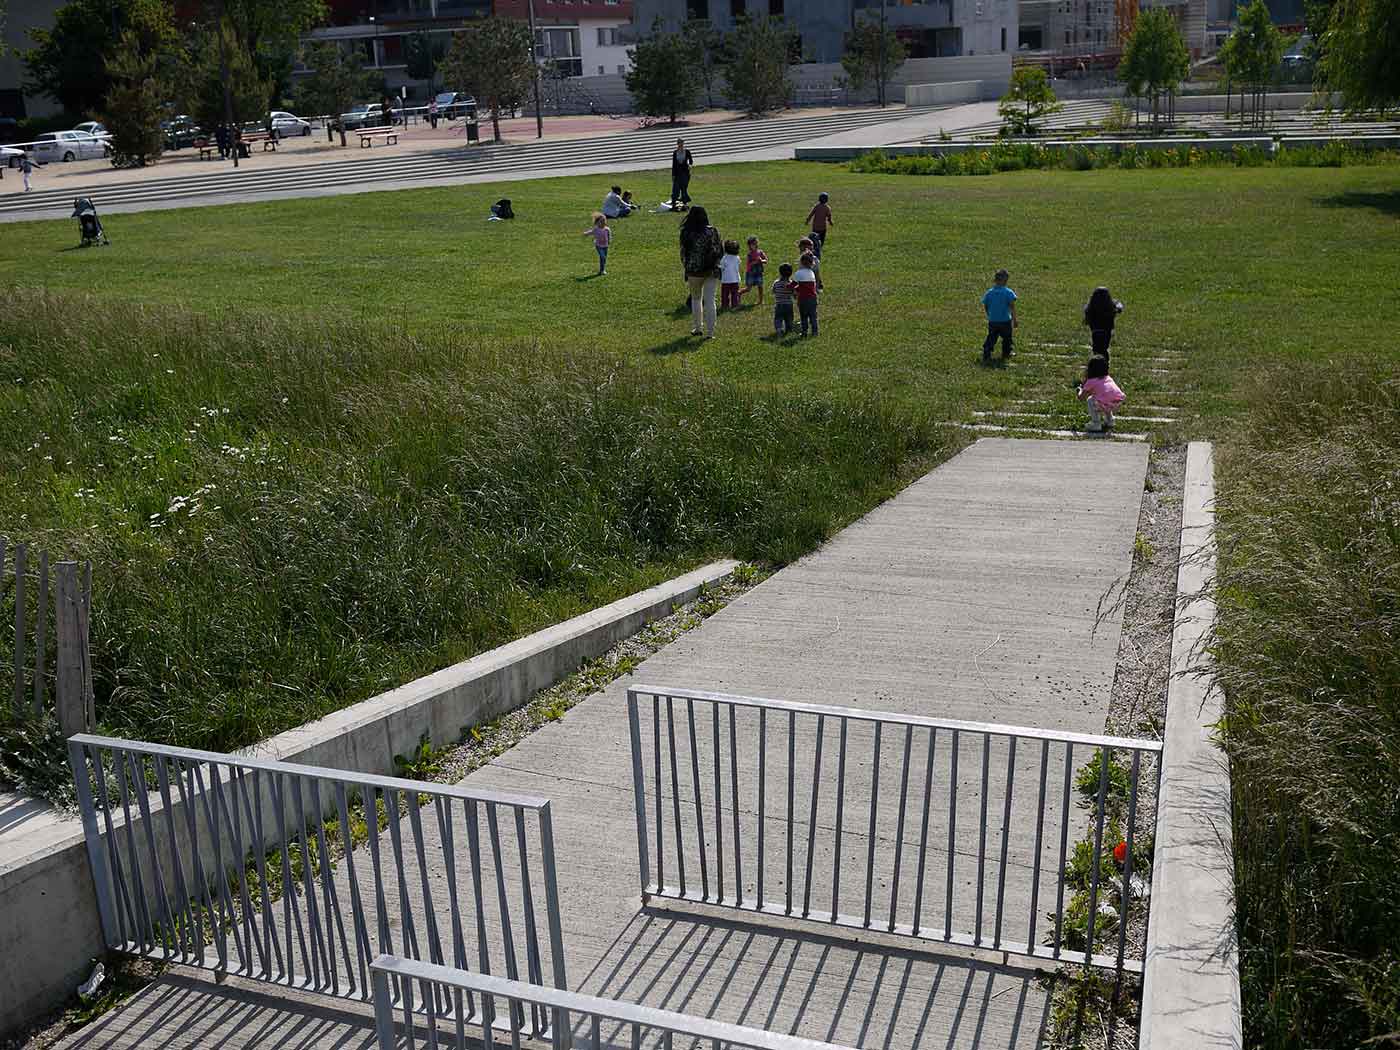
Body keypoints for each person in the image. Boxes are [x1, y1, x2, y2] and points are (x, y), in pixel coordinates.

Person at [679, 205, 723, 337]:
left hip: (694, 270)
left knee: (696, 299)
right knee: (710, 300)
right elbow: (720, 250)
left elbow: (683, 253)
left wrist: (686, 267)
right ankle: (710, 332)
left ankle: (697, 328)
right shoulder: (712, 231)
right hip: (711, 269)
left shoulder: (686, 232)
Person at [1078, 354, 1126, 433]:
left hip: (1106, 403)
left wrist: (1080, 390)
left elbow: (1081, 397)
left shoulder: (1091, 381)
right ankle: (1110, 419)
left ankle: (1096, 423)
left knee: (1090, 400)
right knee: (1105, 398)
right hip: (1117, 402)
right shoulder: (1107, 377)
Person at [980, 268, 1018, 363]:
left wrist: (989, 314)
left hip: (993, 320)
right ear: (1005, 281)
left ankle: (987, 351)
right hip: (1005, 320)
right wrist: (1014, 320)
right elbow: (1012, 307)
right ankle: (1006, 352)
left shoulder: (989, 292)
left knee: (991, 337)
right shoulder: (1008, 292)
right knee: (1007, 338)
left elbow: (986, 305)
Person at [1083, 286, 1124, 359]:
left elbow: (1086, 309)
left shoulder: (1090, 307)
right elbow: (1120, 307)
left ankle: (1096, 363)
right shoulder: (1110, 307)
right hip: (1106, 331)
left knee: (1096, 349)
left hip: (1095, 331)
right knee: (1104, 349)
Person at [792, 252, 819, 337]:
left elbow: (793, 284)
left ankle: (804, 332)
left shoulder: (799, 273)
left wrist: (787, 286)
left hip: (803, 299)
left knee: (804, 317)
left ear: (801, 262)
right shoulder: (811, 273)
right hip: (813, 298)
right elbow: (807, 286)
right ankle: (815, 332)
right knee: (813, 316)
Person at [771, 262, 796, 337]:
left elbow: (773, 291)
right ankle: (789, 329)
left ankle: (779, 329)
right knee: (789, 318)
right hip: (789, 304)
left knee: (778, 318)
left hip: (779, 304)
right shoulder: (791, 283)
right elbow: (794, 294)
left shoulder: (776, 282)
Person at [805, 192, 833, 256]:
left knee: (814, 238)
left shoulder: (816, 206)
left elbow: (811, 214)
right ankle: (819, 249)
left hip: (815, 227)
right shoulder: (827, 208)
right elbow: (829, 216)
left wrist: (808, 220)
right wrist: (830, 222)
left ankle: (813, 248)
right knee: (821, 239)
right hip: (823, 227)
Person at [670, 138, 694, 211]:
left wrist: (690, 165)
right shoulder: (675, 152)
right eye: (679, 143)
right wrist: (673, 175)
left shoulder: (687, 152)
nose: (681, 145)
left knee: (684, 189)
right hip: (677, 173)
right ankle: (674, 202)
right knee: (675, 188)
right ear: (677, 144)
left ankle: (685, 203)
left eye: (682, 143)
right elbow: (674, 164)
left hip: (685, 173)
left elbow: (691, 161)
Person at [743, 236, 768, 305]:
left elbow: (766, 260)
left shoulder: (760, 252)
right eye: (753, 244)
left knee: (760, 286)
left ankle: (760, 300)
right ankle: (739, 293)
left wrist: (762, 261)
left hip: (759, 273)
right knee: (748, 288)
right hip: (751, 273)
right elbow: (748, 265)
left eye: (756, 243)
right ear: (749, 246)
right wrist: (755, 262)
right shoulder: (749, 254)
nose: (756, 245)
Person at [720, 240, 743, 310]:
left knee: (725, 294)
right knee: (734, 293)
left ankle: (725, 305)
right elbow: (739, 263)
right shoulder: (737, 258)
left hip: (726, 280)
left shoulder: (724, 258)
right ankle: (734, 305)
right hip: (735, 279)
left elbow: (722, 267)